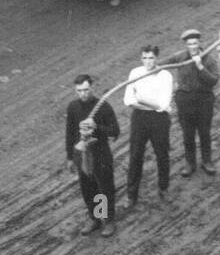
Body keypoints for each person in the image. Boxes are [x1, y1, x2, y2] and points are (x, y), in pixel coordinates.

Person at [66, 74, 120, 237]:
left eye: (86, 90)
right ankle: (95, 218)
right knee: (88, 189)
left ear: (92, 88)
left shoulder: (103, 106)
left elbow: (115, 132)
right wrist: (70, 157)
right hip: (82, 155)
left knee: (103, 188)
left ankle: (107, 220)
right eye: (79, 90)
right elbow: (70, 133)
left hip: (100, 153)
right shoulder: (73, 107)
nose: (83, 94)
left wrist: (96, 127)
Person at [123, 45, 174, 211]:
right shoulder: (135, 73)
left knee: (162, 154)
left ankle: (163, 188)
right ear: (141, 58)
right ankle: (132, 194)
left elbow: (163, 105)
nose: (147, 61)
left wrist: (141, 99)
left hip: (159, 120)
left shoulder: (165, 75)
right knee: (135, 155)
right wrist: (148, 104)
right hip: (139, 118)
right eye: (144, 58)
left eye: (151, 58)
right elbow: (128, 100)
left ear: (157, 58)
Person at [175, 28, 219, 176]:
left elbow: (214, 80)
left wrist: (200, 66)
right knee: (188, 134)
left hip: (204, 100)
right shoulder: (181, 56)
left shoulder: (209, 59)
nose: (192, 46)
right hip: (185, 101)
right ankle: (190, 163)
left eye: (195, 43)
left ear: (200, 43)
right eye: (189, 44)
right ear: (186, 45)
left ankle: (207, 161)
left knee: (204, 132)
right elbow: (163, 63)